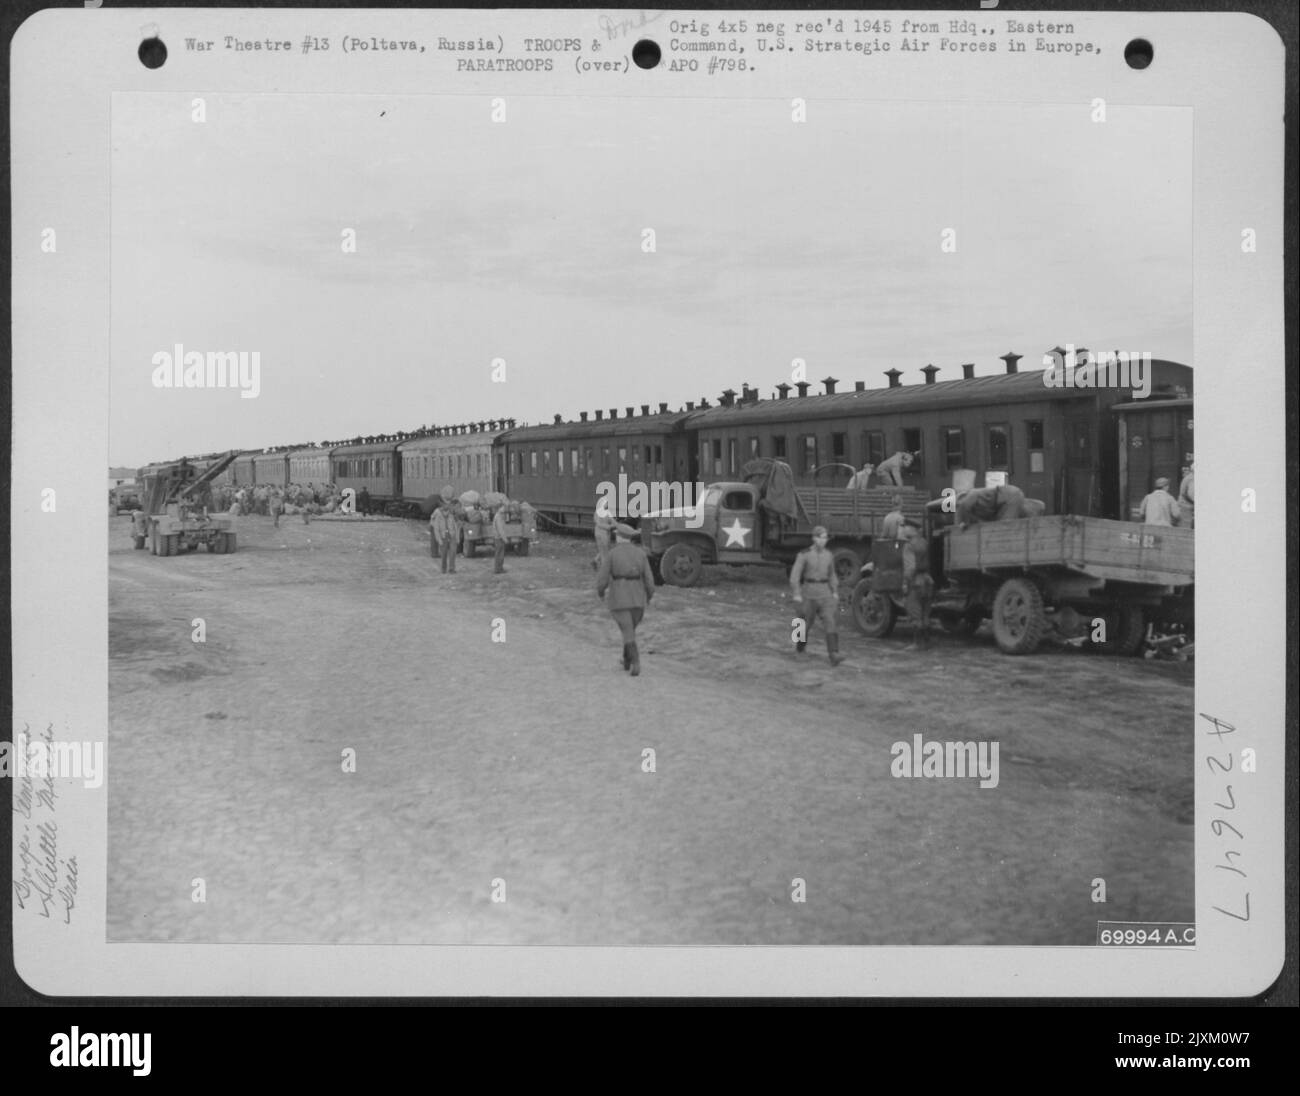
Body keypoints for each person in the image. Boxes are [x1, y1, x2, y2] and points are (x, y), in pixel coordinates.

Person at [596, 526, 655, 676]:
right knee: (629, 630)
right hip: (638, 598)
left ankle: (636, 663)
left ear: (619, 537)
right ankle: (626, 660)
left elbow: (602, 578)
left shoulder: (612, 554)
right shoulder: (641, 554)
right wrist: (649, 596)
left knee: (627, 631)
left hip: (619, 598)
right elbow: (649, 580)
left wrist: (601, 592)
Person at [789, 525, 844, 665]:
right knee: (802, 623)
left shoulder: (829, 555)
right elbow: (795, 575)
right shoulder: (804, 554)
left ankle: (834, 653)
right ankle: (799, 649)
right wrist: (796, 592)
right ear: (814, 538)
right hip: (808, 592)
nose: (823, 541)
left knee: (830, 621)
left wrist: (835, 591)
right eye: (821, 537)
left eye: (825, 538)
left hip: (825, 593)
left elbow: (832, 575)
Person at [898, 519, 934, 650]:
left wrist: (905, 583)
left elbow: (910, 568)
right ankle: (927, 642)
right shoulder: (924, 542)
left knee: (914, 611)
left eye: (905, 527)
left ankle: (917, 643)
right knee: (925, 613)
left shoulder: (909, 546)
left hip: (916, 582)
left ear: (912, 530)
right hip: (927, 580)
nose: (903, 530)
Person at [955, 484, 1029, 526]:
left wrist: (961, 523)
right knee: (998, 526)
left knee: (1004, 526)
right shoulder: (974, 505)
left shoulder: (970, 496)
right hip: (1005, 499)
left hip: (1009, 497)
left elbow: (963, 505)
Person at [431, 498, 458, 574]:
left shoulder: (451, 516)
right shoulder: (438, 516)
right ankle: (443, 568)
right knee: (444, 553)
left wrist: (456, 537)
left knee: (453, 553)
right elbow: (436, 529)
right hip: (443, 537)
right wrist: (439, 540)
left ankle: (451, 568)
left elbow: (455, 527)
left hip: (451, 536)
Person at [492, 502, 510, 574]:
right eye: (503, 507)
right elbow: (500, 530)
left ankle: (499, 568)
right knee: (499, 554)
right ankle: (498, 569)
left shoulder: (500, 516)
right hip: (499, 538)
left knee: (500, 554)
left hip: (499, 538)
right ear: (499, 508)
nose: (504, 508)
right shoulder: (498, 517)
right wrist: (505, 539)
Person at [1178, 457, 1195, 528]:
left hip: (1185, 506)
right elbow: (1190, 494)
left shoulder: (1188, 478)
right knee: (1187, 528)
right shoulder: (1191, 478)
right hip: (1187, 507)